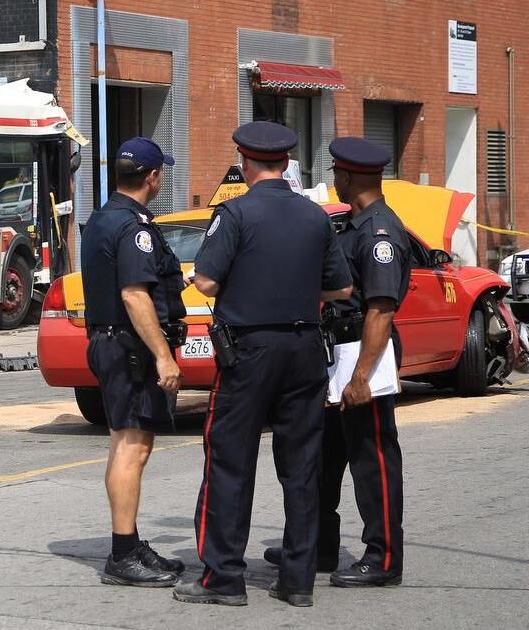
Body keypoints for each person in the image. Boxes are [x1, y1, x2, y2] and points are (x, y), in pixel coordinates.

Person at [174, 121, 353, 607]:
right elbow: (341, 289)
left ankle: (224, 578)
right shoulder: (315, 217)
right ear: (286, 163)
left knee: (230, 462)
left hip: (250, 351)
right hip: (304, 351)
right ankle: (298, 580)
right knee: (302, 468)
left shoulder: (233, 214)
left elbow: (207, 283)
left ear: (246, 162)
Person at [264, 137, 410, 588]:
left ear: (351, 177)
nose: (334, 179)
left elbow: (380, 309)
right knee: (323, 458)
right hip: (334, 355)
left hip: (363, 355)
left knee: (372, 459)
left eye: (338, 173)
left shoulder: (379, 232)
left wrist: (362, 375)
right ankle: (320, 546)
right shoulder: (350, 225)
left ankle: (383, 557)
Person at [80, 137, 188, 588]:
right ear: (152, 177)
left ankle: (130, 543)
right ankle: (122, 553)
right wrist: (163, 355)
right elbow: (134, 293)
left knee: (128, 444)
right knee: (131, 446)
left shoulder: (102, 218)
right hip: (129, 348)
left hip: (114, 344)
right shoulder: (134, 227)